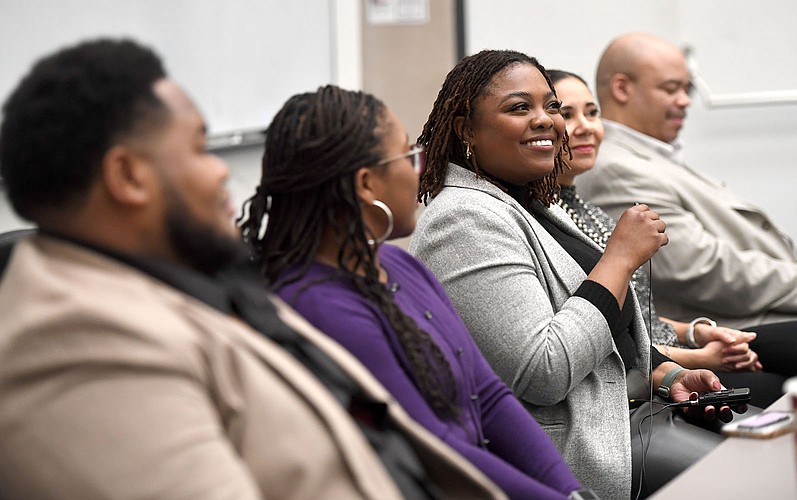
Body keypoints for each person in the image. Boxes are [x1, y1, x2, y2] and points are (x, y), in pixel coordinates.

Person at [0, 38, 507, 500]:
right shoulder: (81, 342)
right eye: (200, 148)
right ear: (127, 176)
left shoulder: (186, 283)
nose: (224, 169)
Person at [408, 49, 744, 500]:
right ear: (466, 129)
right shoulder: (463, 219)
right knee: (750, 475)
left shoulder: (531, 200)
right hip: (582, 449)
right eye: (519, 107)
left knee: (773, 443)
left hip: (638, 409)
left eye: (550, 105)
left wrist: (664, 374)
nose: (546, 119)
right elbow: (542, 371)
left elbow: (606, 337)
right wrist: (618, 259)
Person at [239, 84, 590, 500]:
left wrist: (571, 492)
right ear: (366, 184)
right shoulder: (318, 307)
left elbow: (490, 396)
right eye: (408, 157)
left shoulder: (397, 263)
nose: (420, 171)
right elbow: (435, 449)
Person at [550, 68, 797, 408]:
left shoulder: (584, 208)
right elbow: (603, 329)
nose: (586, 127)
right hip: (644, 370)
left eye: (592, 113)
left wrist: (696, 332)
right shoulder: (553, 218)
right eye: (565, 114)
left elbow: (634, 308)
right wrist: (698, 357)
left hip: (671, 347)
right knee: (781, 386)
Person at [577, 32, 797, 330]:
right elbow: (700, 270)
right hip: (733, 330)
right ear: (621, 88)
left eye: (687, 90)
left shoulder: (648, 154)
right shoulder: (616, 168)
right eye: (671, 89)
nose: (684, 101)